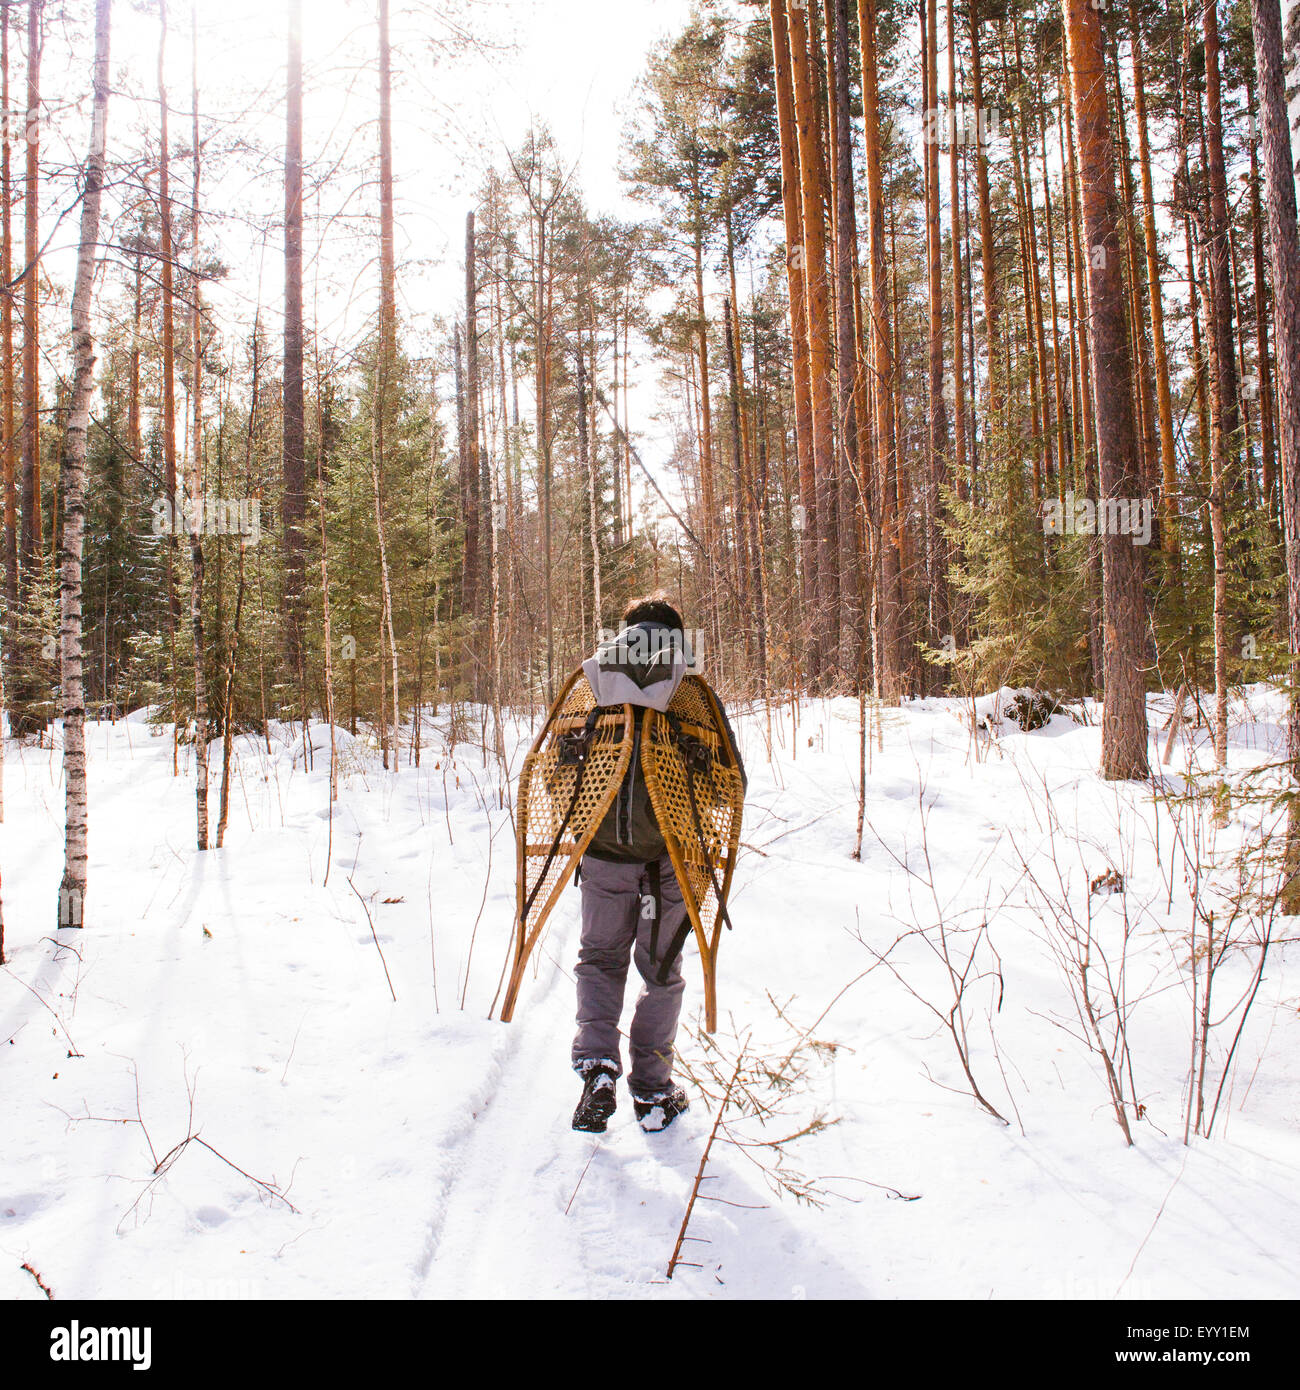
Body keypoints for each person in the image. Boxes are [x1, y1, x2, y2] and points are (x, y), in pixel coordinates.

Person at [570, 595, 746, 1134]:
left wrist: (586, 825)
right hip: (670, 859)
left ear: (626, 632)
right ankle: (651, 1091)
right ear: (674, 635)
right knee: (661, 972)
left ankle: (597, 1065)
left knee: (600, 960)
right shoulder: (690, 690)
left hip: (601, 854)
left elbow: (559, 771)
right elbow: (728, 781)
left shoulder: (589, 684)